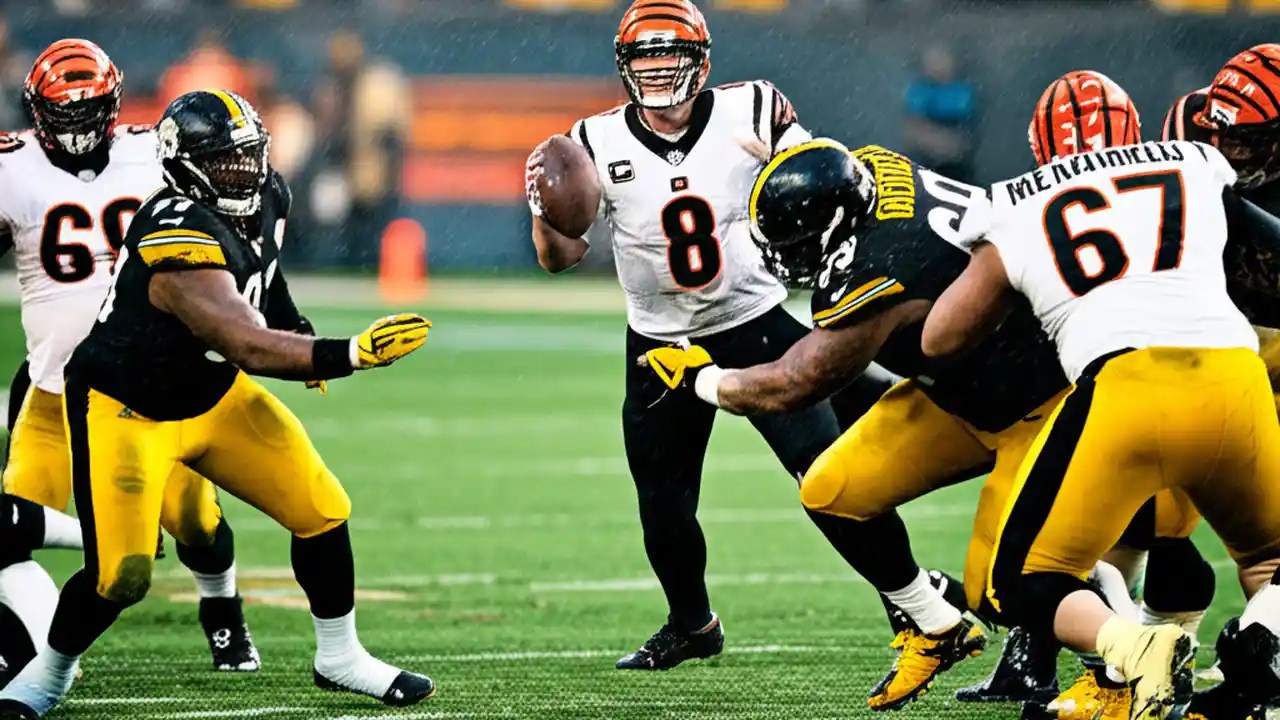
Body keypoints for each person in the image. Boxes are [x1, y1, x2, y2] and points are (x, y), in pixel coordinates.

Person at [525, 0, 963, 707]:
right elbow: (560, 258)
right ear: (623, 66)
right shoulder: (592, 140)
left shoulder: (752, 109)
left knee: (829, 476)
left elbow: (820, 177)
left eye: (672, 57)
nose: (660, 72)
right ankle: (692, 624)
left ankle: (911, 601)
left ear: (702, 60)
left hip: (753, 321)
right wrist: (547, 216)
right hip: (658, 342)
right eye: (645, 59)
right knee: (663, 509)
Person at [0, 90, 434, 719]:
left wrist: (300, 329)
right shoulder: (176, 231)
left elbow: (266, 277)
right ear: (185, 165)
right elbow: (244, 342)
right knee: (119, 576)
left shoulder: (267, 195)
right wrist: (348, 353)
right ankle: (48, 675)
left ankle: (340, 657)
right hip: (127, 408)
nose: (248, 169)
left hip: (211, 395)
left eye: (252, 153)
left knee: (321, 507)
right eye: (229, 160)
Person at [921, 78, 1280, 719]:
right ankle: (1265, 646)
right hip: (1234, 372)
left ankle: (1133, 647)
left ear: (1036, 144)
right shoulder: (1193, 160)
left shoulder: (1013, 201)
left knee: (1025, 581)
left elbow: (941, 337)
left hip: (1126, 388)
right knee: (1269, 557)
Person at [0, 38, 260, 674]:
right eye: (62, 117)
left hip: (146, 395)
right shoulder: (13, 168)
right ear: (37, 112)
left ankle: (221, 606)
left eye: (88, 115)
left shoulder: (153, 155)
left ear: (114, 106)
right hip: (55, 392)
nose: (78, 132)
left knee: (195, 522)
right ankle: (24, 651)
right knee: (6, 535)